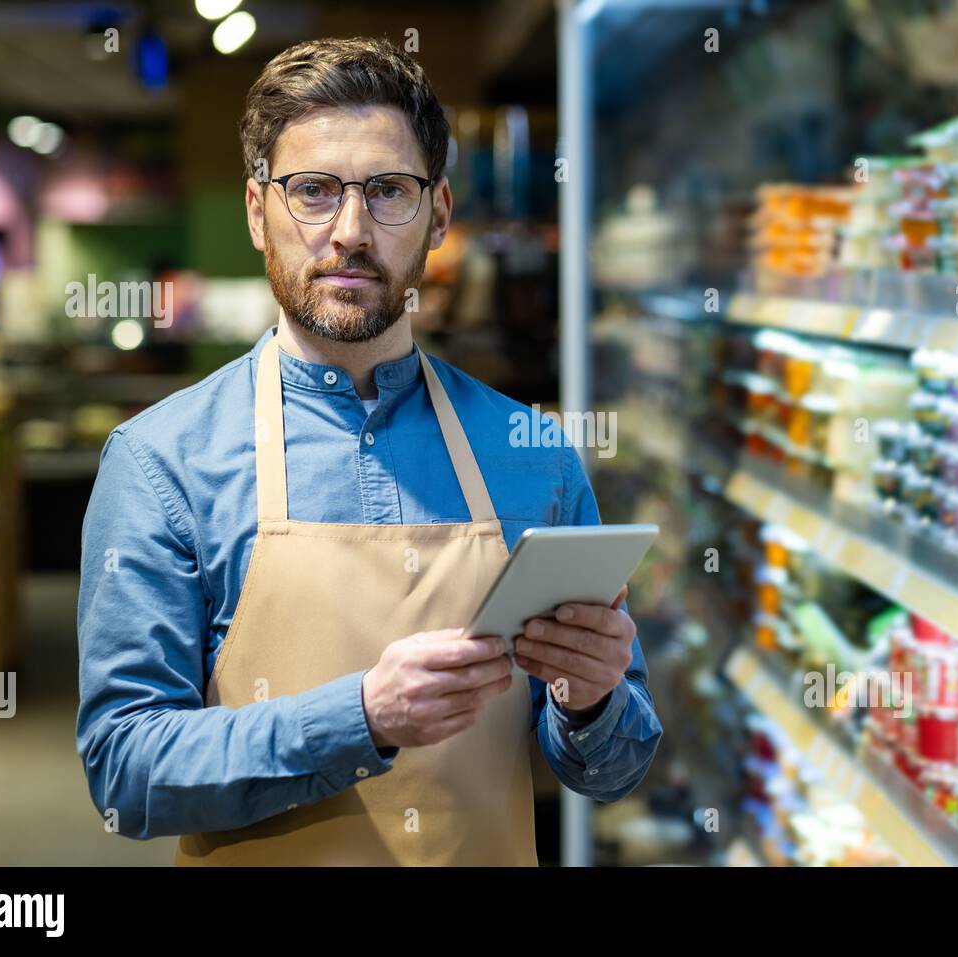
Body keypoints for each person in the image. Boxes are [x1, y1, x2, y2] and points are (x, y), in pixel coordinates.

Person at [76, 36, 662, 866]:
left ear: (440, 214)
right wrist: (361, 717)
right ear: (256, 211)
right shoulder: (160, 461)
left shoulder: (535, 454)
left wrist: (591, 699)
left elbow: (615, 769)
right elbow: (124, 772)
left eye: (388, 191)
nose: (350, 232)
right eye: (313, 191)